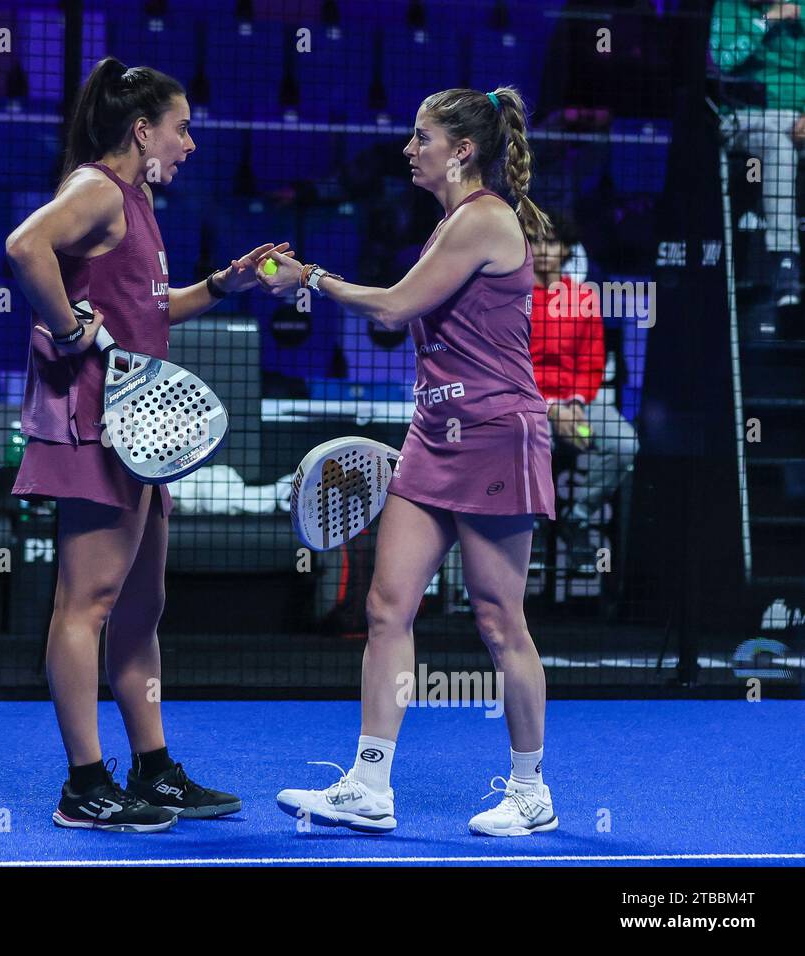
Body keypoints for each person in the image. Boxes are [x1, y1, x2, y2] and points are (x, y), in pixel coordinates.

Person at [258, 87, 559, 836]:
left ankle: (530, 790)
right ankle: (369, 784)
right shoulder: (452, 223)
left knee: (499, 620)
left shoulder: (487, 217)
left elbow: (394, 311)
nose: (407, 149)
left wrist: (311, 279)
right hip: (433, 435)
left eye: (420, 137)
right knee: (387, 607)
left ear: (461, 149)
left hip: (496, 435)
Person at [6, 56, 292, 832]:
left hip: (140, 430)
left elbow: (151, 308)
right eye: (183, 127)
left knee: (140, 607)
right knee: (86, 605)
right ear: (143, 129)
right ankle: (84, 784)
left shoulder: (134, 201)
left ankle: (153, 767)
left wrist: (226, 285)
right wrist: (68, 327)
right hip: (92, 426)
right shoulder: (96, 187)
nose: (191, 143)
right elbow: (23, 247)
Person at [529, 210, 639, 571]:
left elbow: (591, 363)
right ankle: (535, 522)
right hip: (533, 411)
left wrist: (574, 402)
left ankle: (576, 515)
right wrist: (550, 408)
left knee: (625, 444)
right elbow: (510, 367)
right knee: (529, 438)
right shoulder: (513, 298)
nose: (544, 250)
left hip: (579, 413)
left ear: (566, 250)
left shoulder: (582, 299)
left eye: (552, 242)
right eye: (537, 241)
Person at [709, 0, 805, 309]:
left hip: (798, 117)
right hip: (744, 117)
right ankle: (785, 260)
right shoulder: (727, 7)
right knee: (780, 144)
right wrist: (766, 21)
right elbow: (722, 60)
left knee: (782, 141)